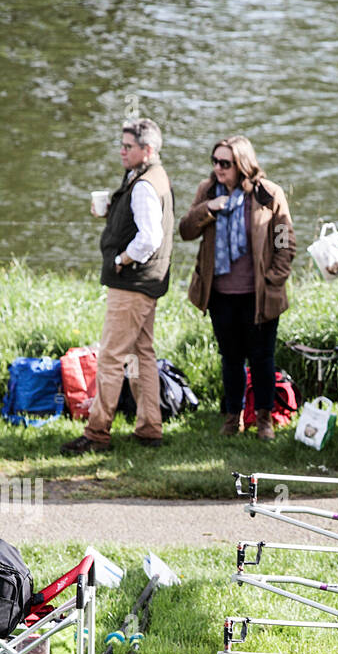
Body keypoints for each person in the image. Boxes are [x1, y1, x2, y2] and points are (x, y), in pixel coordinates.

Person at [62, 118, 174, 454]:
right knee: (142, 354)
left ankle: (97, 433)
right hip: (150, 282)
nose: (121, 151)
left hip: (132, 282)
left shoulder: (142, 185)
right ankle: (150, 428)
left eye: (128, 146)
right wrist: (115, 212)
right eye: (122, 144)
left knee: (111, 357)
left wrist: (120, 260)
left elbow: (150, 238)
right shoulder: (153, 176)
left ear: (147, 149)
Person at [179, 135, 295, 440]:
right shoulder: (208, 191)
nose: (218, 168)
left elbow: (284, 238)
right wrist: (209, 208)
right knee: (230, 358)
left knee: (262, 358)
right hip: (220, 294)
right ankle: (233, 418)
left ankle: (264, 419)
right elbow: (186, 231)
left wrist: (275, 277)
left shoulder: (267, 194)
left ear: (242, 165)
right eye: (215, 161)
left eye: (225, 163)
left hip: (259, 293)